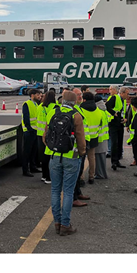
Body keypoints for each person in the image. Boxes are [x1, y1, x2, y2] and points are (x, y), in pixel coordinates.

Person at [44, 89, 86, 236]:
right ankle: (65, 225)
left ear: (62, 101)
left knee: (55, 190)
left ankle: (56, 223)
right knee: (68, 191)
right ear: (74, 102)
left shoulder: (52, 113)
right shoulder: (76, 115)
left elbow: (45, 137)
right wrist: (81, 153)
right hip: (71, 157)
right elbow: (81, 140)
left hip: (54, 156)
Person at [78, 91, 104, 186]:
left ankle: (81, 178)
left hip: (83, 138)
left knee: (81, 158)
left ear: (84, 99)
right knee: (92, 158)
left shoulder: (81, 110)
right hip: (94, 137)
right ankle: (91, 176)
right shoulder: (98, 110)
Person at [19, 89, 42, 176]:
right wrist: (29, 128)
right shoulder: (26, 104)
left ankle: (33, 167)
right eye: (38, 95)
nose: (39, 96)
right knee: (27, 151)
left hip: (35, 130)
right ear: (32, 95)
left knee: (33, 151)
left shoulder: (36, 104)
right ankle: (25, 170)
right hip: (29, 131)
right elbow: (26, 117)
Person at [39, 89, 58, 185]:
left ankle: (43, 175)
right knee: (52, 156)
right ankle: (49, 177)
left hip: (39, 134)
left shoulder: (40, 107)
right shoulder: (55, 107)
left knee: (44, 156)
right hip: (50, 134)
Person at [106, 87, 126, 169]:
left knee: (120, 142)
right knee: (114, 142)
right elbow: (107, 105)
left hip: (120, 123)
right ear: (122, 93)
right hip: (113, 123)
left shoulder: (123, 100)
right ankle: (114, 161)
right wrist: (113, 113)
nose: (128, 96)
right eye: (127, 93)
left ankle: (117, 160)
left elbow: (122, 111)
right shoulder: (115, 97)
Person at [94, 93, 110, 180]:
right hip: (104, 136)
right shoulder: (104, 109)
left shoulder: (97, 110)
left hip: (99, 137)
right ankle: (102, 174)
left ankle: (100, 174)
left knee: (99, 158)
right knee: (102, 158)